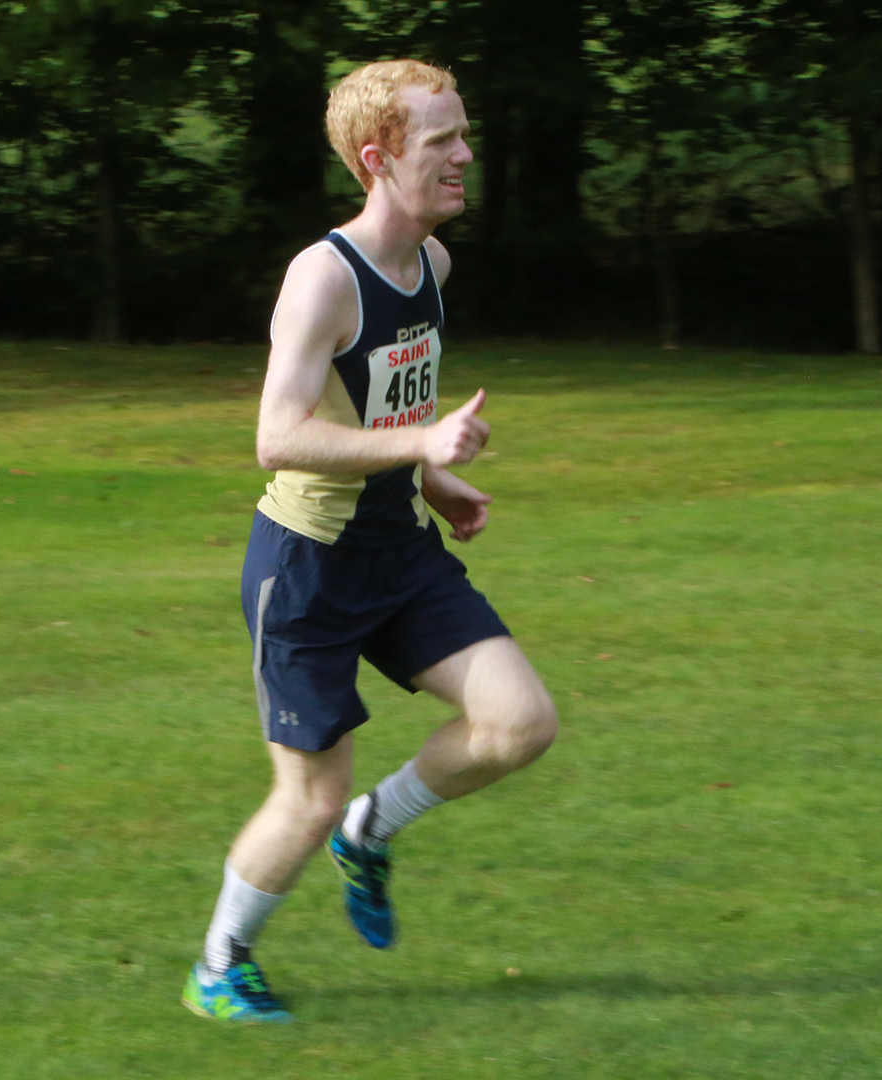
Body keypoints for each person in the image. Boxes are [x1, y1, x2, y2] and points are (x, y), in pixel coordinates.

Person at [182, 59, 558, 1024]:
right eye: (443, 142)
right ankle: (220, 963)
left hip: (399, 547)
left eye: (463, 134)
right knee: (306, 796)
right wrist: (420, 444)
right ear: (376, 158)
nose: (465, 155)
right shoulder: (323, 278)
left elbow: (394, 397)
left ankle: (373, 831)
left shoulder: (431, 264)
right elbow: (277, 434)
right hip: (306, 567)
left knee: (519, 723)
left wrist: (431, 471)